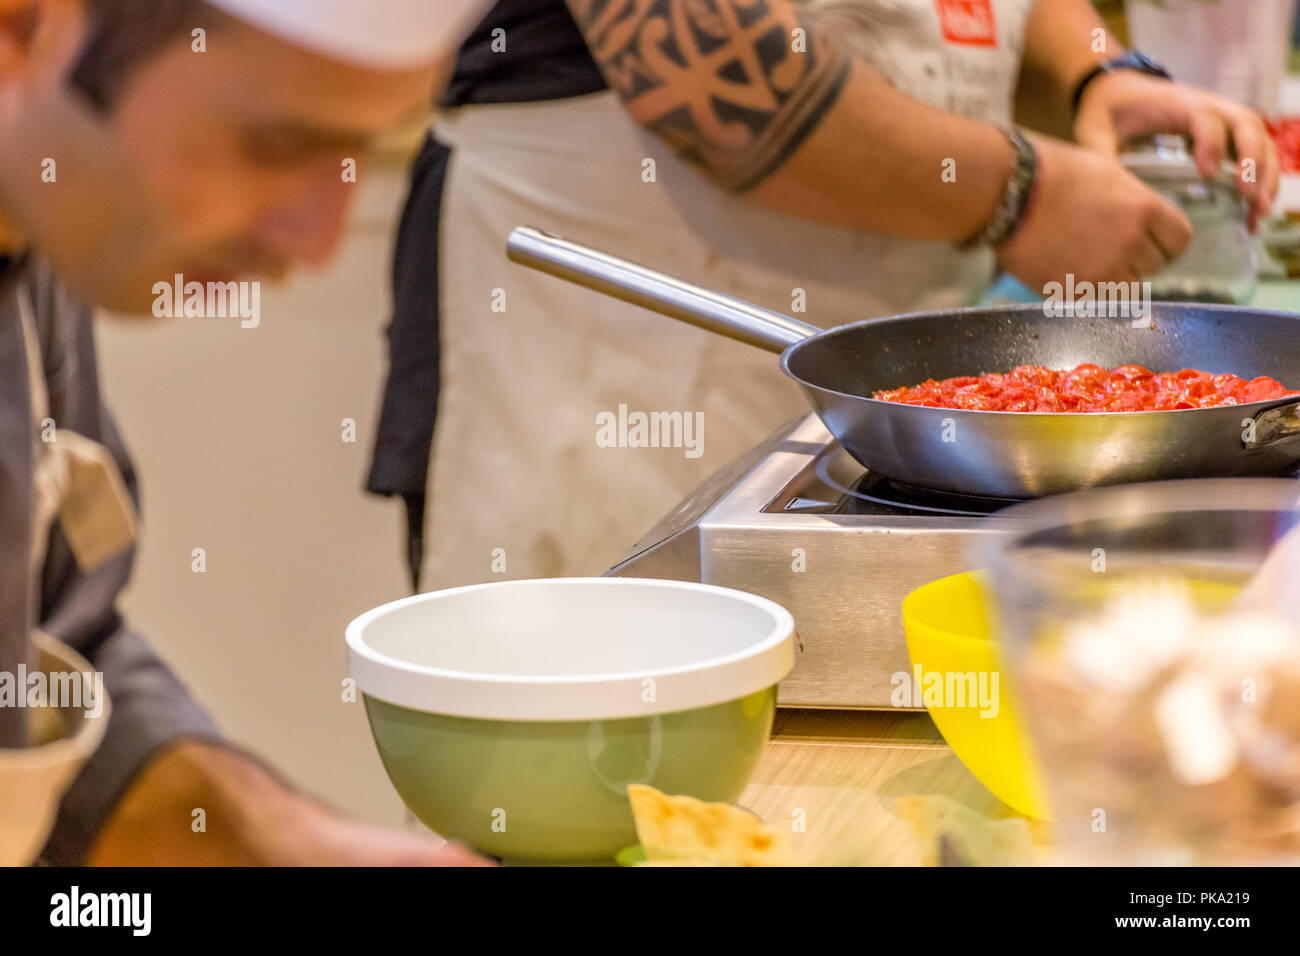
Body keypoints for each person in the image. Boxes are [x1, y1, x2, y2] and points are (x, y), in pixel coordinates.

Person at [368, 0, 1278, 595]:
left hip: (894, 329)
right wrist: (1020, 194)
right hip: (623, 306)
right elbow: (705, 63)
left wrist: (1101, 69)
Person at [0, 0, 493, 865]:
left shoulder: (37, 240)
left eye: (362, 152)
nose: (320, 240)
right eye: (278, 144)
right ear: (25, 30)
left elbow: (57, 650)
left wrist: (292, 844)